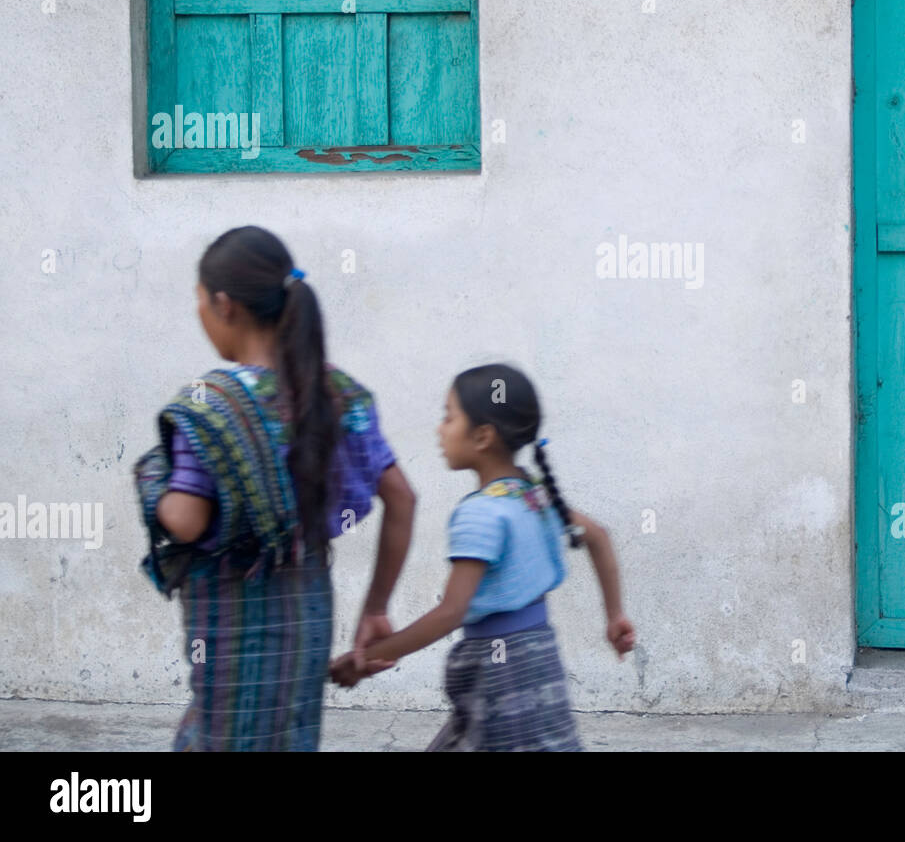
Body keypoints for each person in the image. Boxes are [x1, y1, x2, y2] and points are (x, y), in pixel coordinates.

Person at [133, 225, 416, 751]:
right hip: (307, 604)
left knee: (225, 735)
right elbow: (403, 497)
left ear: (224, 305)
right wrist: (376, 608)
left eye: (197, 302)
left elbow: (187, 520)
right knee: (289, 732)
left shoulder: (211, 405)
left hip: (233, 616)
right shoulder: (340, 393)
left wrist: (153, 477)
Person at [330, 363, 634, 752]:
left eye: (448, 417)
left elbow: (450, 612)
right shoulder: (532, 494)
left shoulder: (480, 513)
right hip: (539, 660)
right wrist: (614, 616)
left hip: (500, 675)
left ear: (483, 436)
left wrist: (365, 658)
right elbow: (599, 535)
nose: (440, 429)